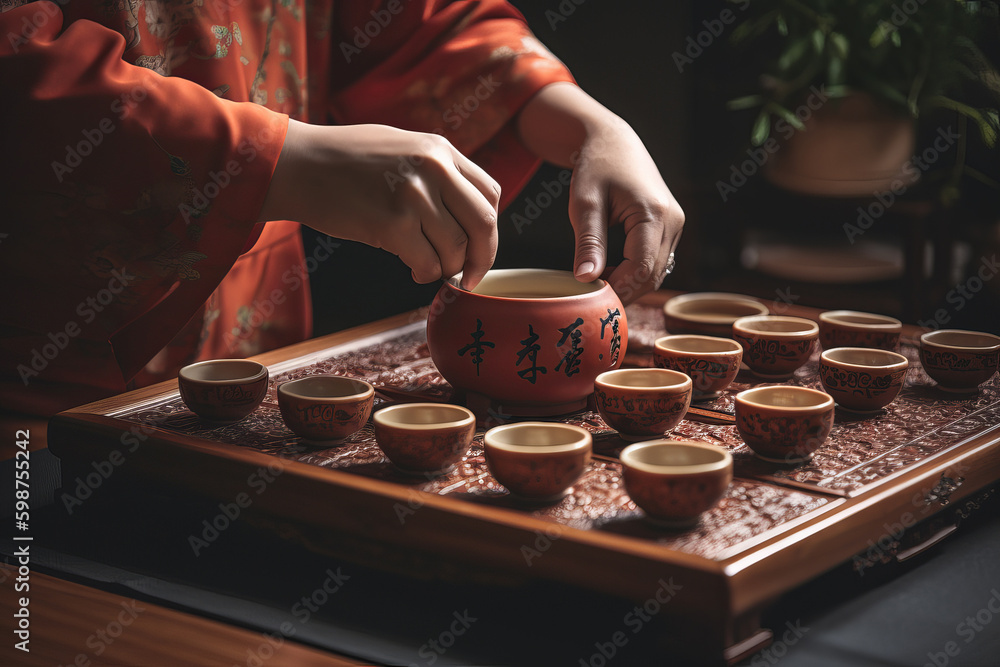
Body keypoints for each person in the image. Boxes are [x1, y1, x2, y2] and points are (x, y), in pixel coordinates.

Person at [0, 0, 684, 417]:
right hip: (44, 392)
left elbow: (411, 26)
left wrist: (589, 124)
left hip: (259, 365)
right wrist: (278, 160)